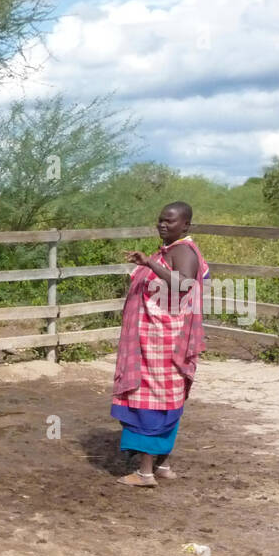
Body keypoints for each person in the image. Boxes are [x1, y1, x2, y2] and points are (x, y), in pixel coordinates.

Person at [111, 201, 208, 487]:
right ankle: (162, 464)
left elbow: (184, 284)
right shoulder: (170, 250)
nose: (162, 225)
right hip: (156, 339)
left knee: (151, 402)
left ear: (186, 225)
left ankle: (145, 473)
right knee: (166, 399)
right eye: (160, 220)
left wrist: (149, 264)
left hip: (161, 342)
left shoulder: (183, 250)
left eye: (170, 221)